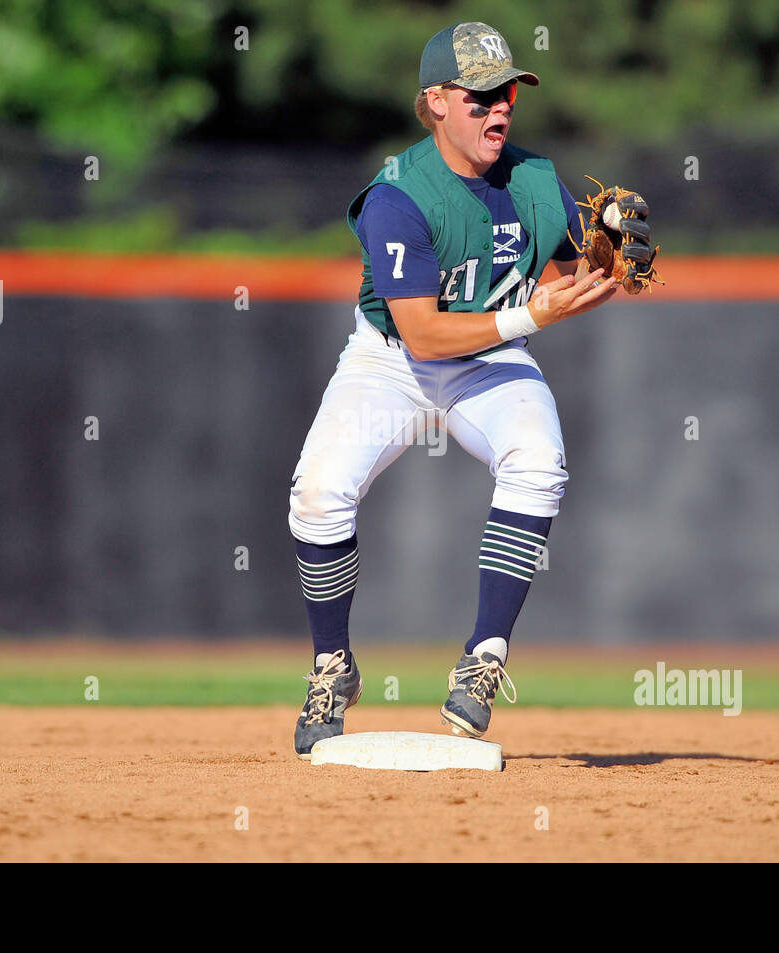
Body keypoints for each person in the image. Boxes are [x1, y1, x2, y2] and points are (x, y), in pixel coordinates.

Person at [288, 21, 623, 759]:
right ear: (435, 102)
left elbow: (573, 276)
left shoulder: (536, 180)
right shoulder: (397, 196)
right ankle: (332, 667)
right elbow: (424, 336)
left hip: (491, 358)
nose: (498, 106)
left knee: (540, 462)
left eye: (505, 91)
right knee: (317, 493)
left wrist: (609, 260)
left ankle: (484, 655)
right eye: (478, 95)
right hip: (393, 360)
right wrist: (533, 312)